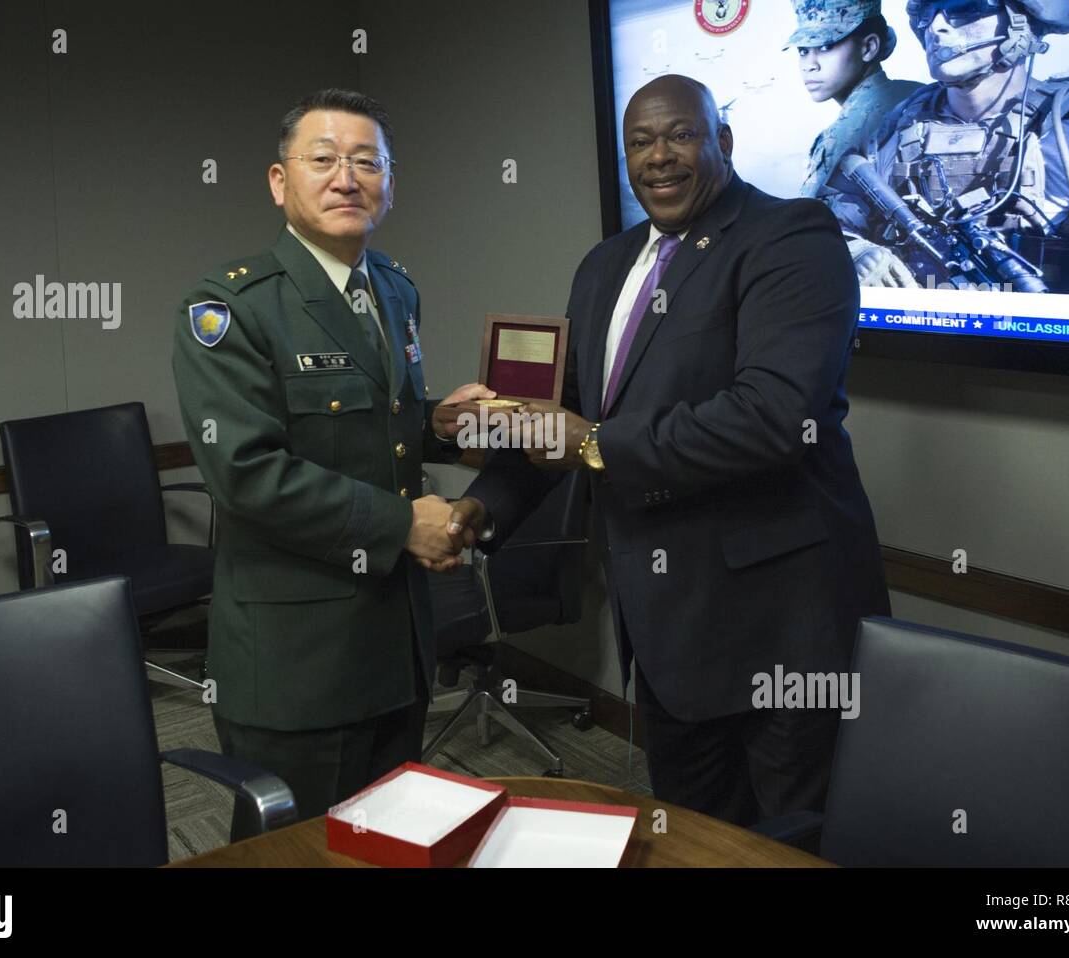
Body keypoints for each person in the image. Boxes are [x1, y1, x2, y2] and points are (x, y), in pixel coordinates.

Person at [444, 75, 890, 827]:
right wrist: (474, 503)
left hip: (779, 630)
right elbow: (568, 414)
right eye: (640, 141)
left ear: (723, 141)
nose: (660, 157)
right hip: (663, 632)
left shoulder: (793, 237)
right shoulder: (604, 266)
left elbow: (772, 418)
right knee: (693, 831)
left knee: (792, 841)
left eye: (681, 134)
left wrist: (586, 441)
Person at [171, 88, 491, 838]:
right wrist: (401, 525)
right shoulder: (230, 307)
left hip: (397, 640)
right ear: (281, 182)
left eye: (366, 162)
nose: (346, 177)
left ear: (389, 182)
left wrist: (441, 422)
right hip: (298, 659)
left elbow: (377, 420)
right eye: (323, 159)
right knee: (305, 854)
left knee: (390, 842)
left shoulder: (394, 288)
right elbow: (245, 472)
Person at [833, 0, 1069, 295]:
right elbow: (825, 228)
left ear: (1021, 21)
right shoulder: (896, 129)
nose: (936, 27)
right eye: (927, 13)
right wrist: (857, 253)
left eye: (963, 7)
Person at [788, 0, 923, 199]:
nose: (810, 65)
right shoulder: (919, 94)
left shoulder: (842, 136)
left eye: (826, 47)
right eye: (803, 51)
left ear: (869, 47)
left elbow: (811, 222)